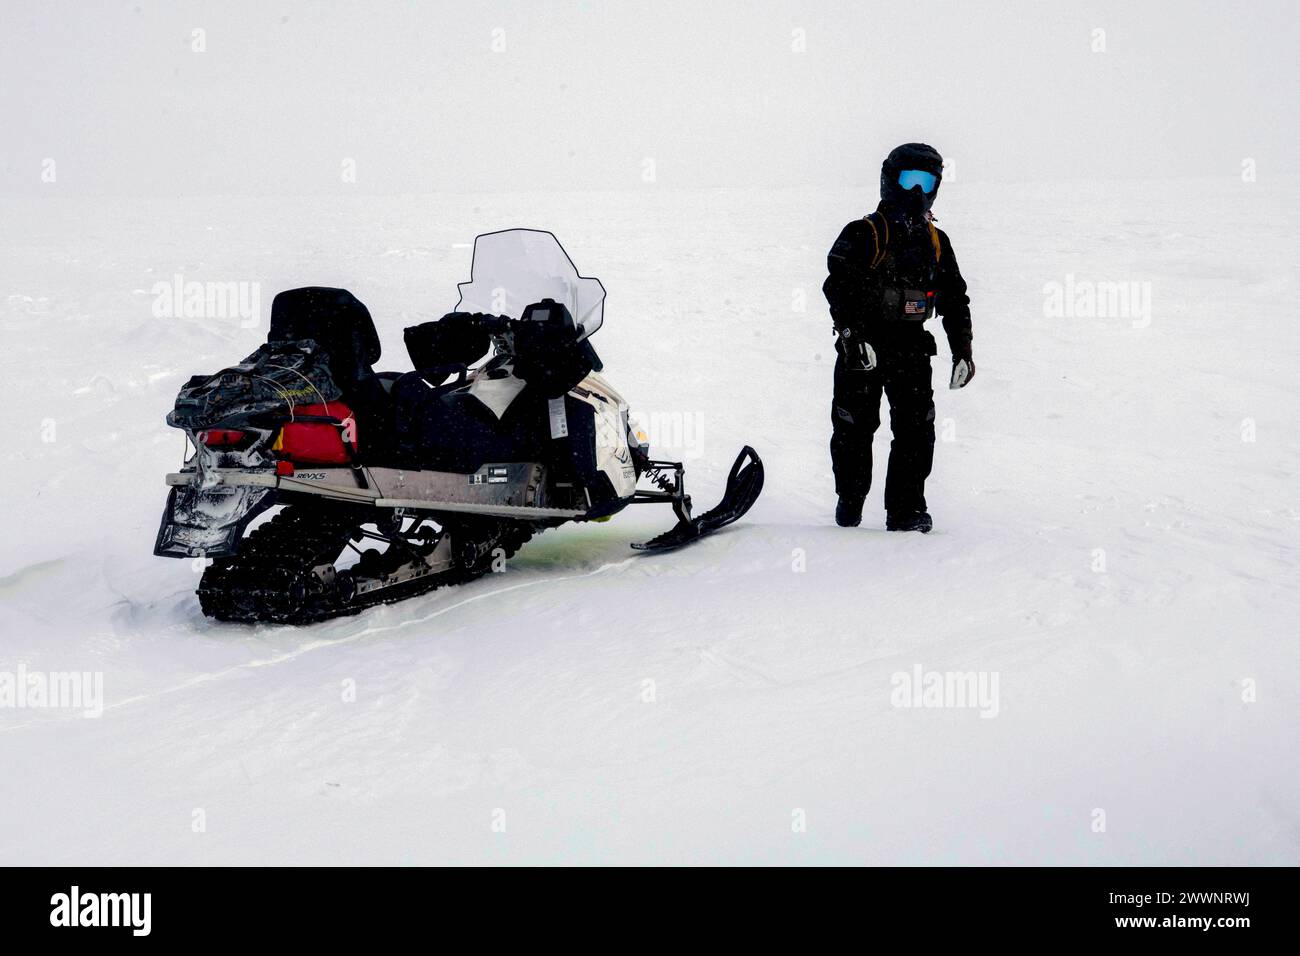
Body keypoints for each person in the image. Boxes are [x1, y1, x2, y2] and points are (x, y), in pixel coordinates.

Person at [822, 142, 973, 532]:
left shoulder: (937, 242)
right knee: (854, 427)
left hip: (912, 349)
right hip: (864, 350)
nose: (918, 192)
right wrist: (852, 335)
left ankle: (906, 511)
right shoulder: (863, 233)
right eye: (910, 180)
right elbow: (837, 285)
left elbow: (955, 297)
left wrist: (963, 350)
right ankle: (850, 501)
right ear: (891, 180)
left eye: (927, 181)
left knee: (916, 430)